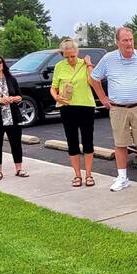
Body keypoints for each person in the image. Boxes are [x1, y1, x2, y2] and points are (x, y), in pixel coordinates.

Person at [89, 26, 137, 192]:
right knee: (120, 144)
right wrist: (103, 98)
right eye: (125, 40)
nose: (129, 43)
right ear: (117, 42)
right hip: (118, 108)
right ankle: (122, 178)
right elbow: (94, 78)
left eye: (131, 40)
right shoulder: (108, 59)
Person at [51, 38, 96, 187]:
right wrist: (56, 96)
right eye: (67, 56)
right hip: (67, 107)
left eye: (73, 56)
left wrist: (89, 64)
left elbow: (93, 82)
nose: (70, 59)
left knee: (88, 140)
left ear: (77, 52)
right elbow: (53, 86)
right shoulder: (59, 66)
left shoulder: (84, 63)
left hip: (86, 106)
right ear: (62, 55)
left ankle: (89, 174)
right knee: (72, 141)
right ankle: (77, 175)